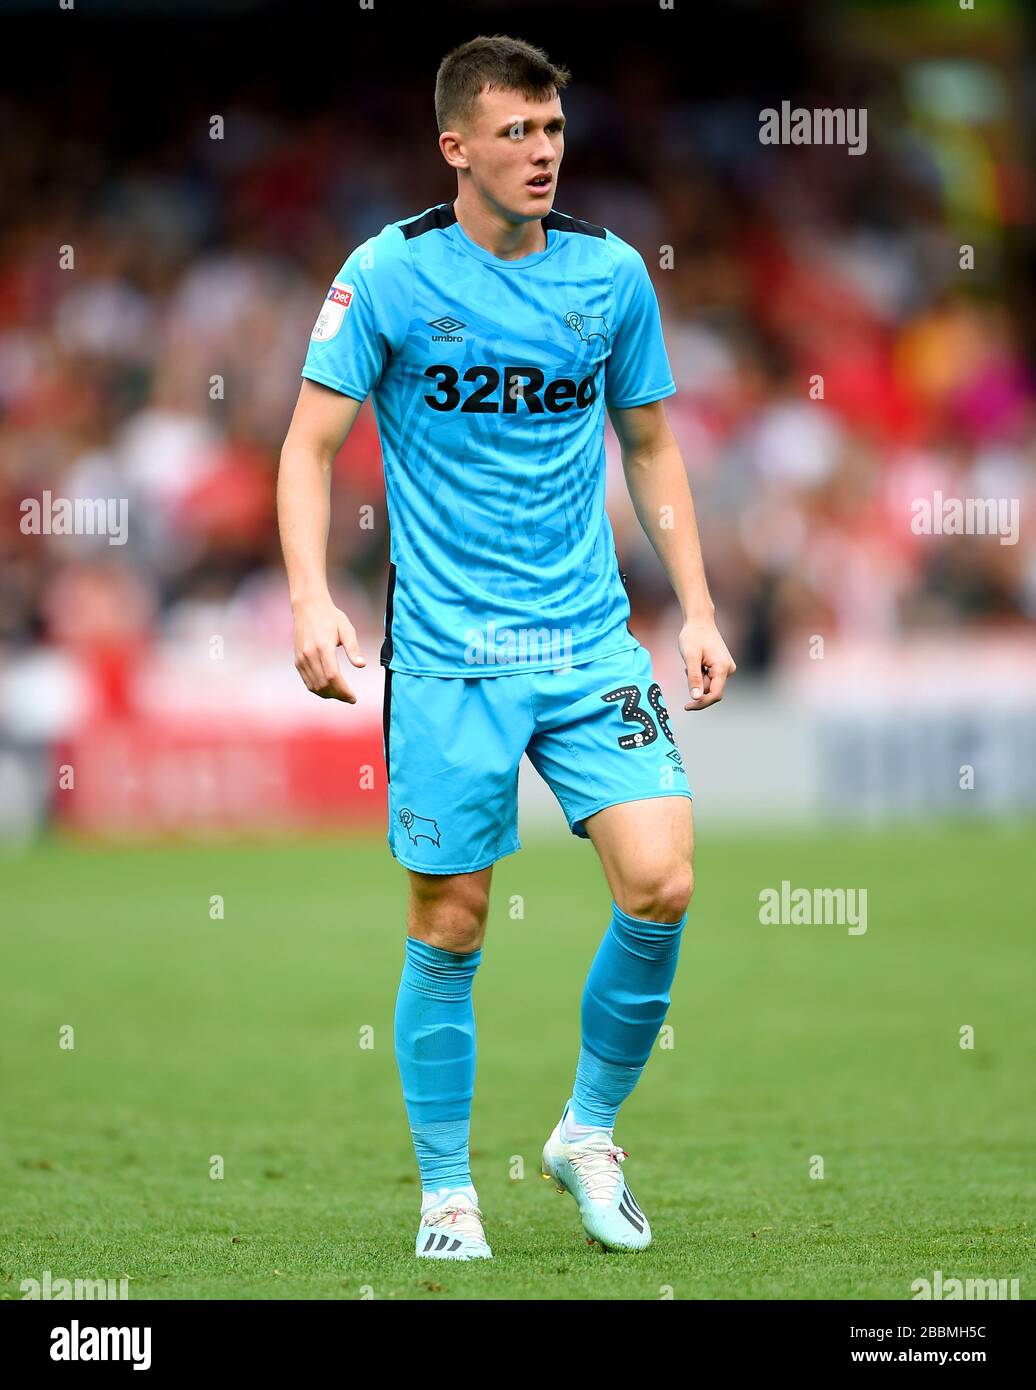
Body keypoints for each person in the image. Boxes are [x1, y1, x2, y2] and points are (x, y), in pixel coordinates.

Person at [277, 33, 735, 1260]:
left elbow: (649, 445)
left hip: (587, 642)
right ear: (456, 146)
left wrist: (692, 603)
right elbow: (308, 445)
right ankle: (445, 1194)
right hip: (446, 655)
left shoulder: (610, 275)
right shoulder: (386, 274)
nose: (542, 152)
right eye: (516, 132)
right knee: (453, 922)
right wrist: (312, 599)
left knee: (664, 877)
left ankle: (587, 1131)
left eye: (552, 130)